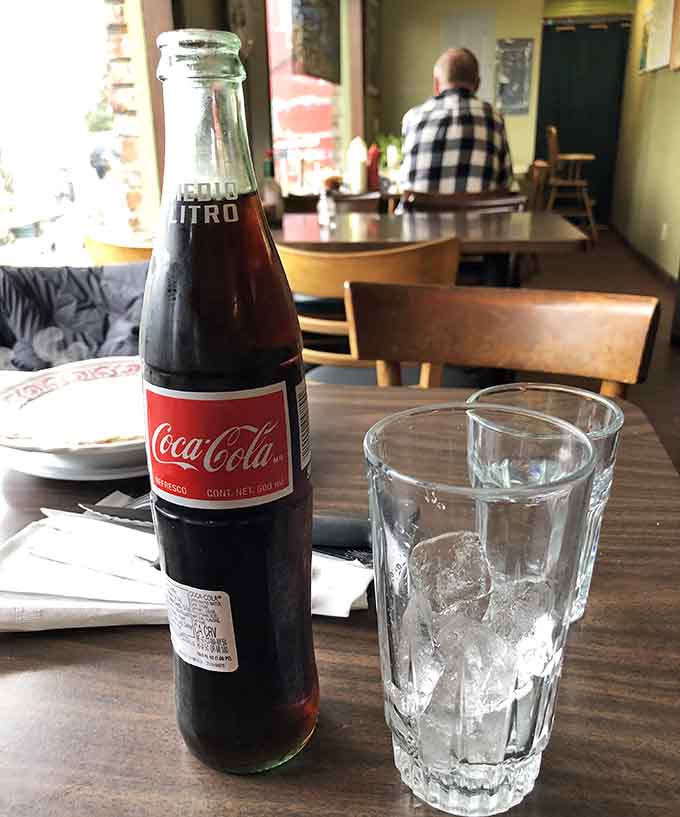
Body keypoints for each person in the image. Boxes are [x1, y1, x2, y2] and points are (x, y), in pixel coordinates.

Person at [400, 48, 513, 194]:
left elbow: (405, 183)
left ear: (436, 84)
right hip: (479, 216)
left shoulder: (413, 118)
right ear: (477, 84)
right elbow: (506, 183)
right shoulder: (495, 118)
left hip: (421, 216)